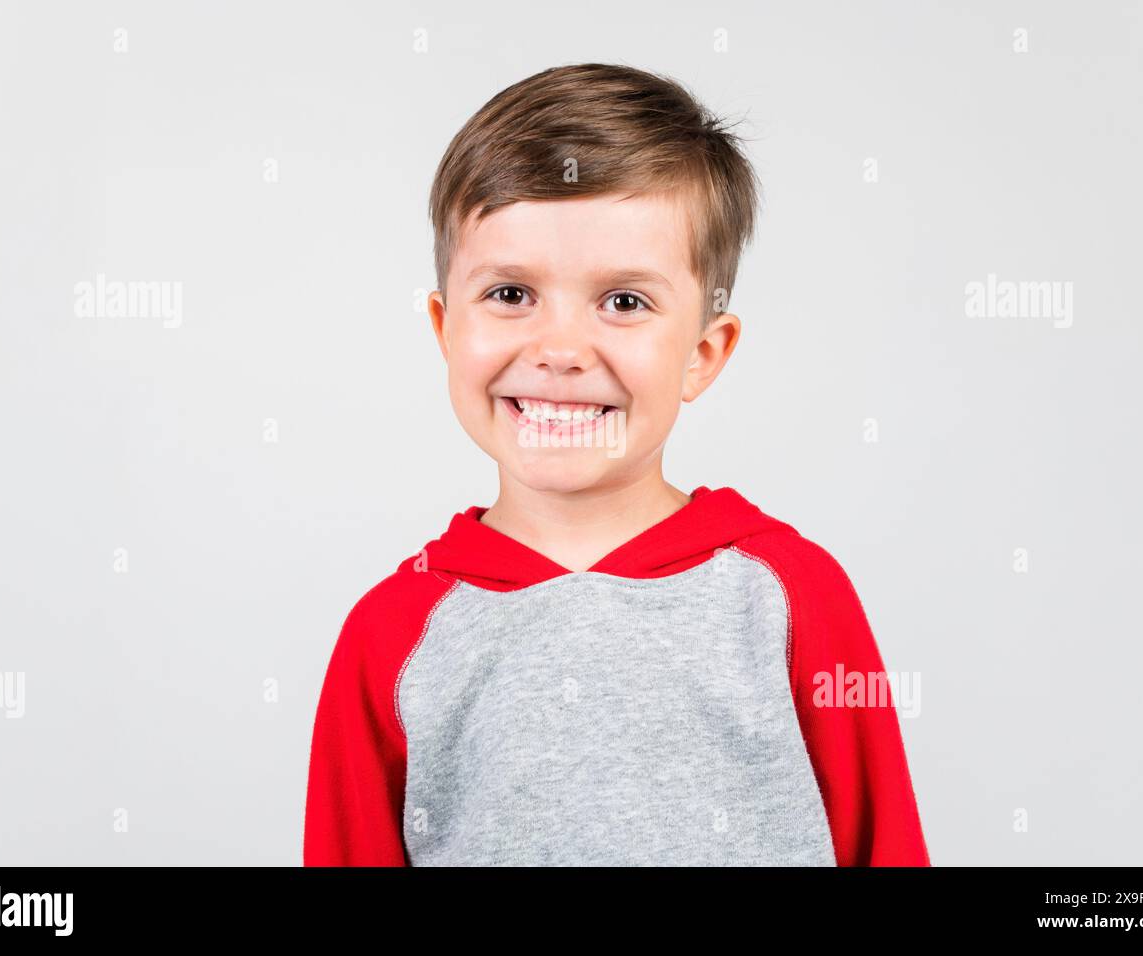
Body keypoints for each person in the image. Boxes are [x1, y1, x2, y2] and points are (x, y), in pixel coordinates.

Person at [304, 62, 930, 866]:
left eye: (624, 302)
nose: (560, 351)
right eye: (509, 294)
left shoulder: (793, 599)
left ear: (703, 355)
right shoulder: (386, 639)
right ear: (445, 328)